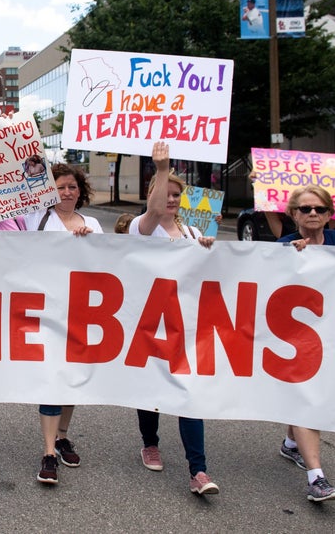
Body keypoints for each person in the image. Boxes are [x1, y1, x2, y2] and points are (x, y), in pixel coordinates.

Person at [128, 141, 218, 496]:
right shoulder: (142, 226)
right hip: (150, 322)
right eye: (165, 192)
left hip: (186, 326)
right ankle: (149, 441)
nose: (170, 198)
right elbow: (151, 213)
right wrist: (162, 168)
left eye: (176, 194)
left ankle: (199, 470)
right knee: (152, 389)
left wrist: (210, 252)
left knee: (187, 394)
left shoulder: (193, 233)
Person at [276, 185, 335, 502]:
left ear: (329, 214)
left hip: (330, 334)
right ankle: (317, 478)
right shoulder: (284, 245)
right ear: (293, 214)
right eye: (305, 209)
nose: (313, 214)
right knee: (307, 398)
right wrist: (286, 259)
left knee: (309, 395)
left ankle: (290, 444)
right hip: (294, 338)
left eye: (320, 209)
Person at [23, 163, 103, 485]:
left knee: (72, 378)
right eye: (60, 186)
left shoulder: (93, 223)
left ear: (80, 190)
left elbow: (107, 264)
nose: (67, 192)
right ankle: (47, 452)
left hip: (83, 312)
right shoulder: (37, 219)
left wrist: (89, 243)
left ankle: (62, 436)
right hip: (48, 310)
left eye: (72, 186)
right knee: (52, 377)